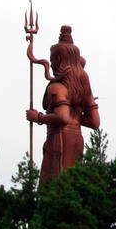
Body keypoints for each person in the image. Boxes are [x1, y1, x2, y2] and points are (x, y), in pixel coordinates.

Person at [26, 25, 100, 183]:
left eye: (52, 59)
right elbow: (94, 121)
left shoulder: (57, 87)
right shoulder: (83, 85)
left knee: (53, 185)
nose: (51, 64)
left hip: (58, 140)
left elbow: (62, 117)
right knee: (73, 184)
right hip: (77, 140)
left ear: (59, 59)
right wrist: (77, 118)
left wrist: (37, 117)